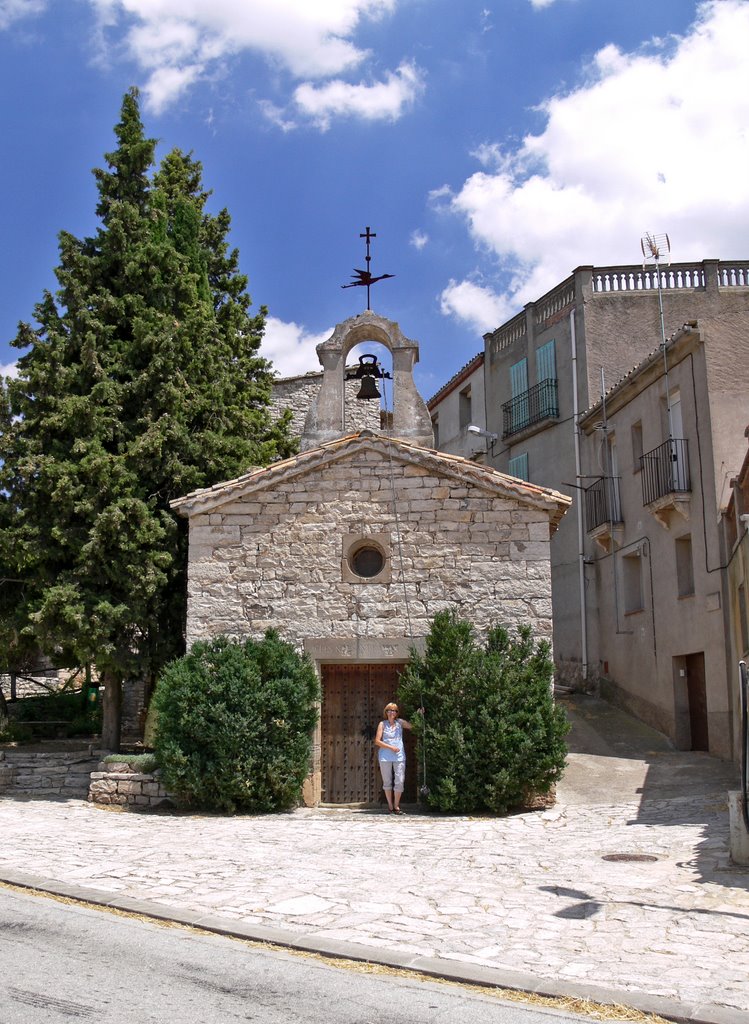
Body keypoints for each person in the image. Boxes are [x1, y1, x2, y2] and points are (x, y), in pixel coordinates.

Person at [374, 702, 412, 814]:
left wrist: (420, 714)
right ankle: (390, 806)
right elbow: (377, 741)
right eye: (390, 710)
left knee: (400, 781)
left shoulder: (400, 723)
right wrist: (391, 747)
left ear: (397, 713)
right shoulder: (382, 724)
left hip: (399, 756)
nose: (392, 712)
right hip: (385, 756)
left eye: (394, 710)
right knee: (387, 782)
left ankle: (396, 806)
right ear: (386, 712)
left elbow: (412, 726)